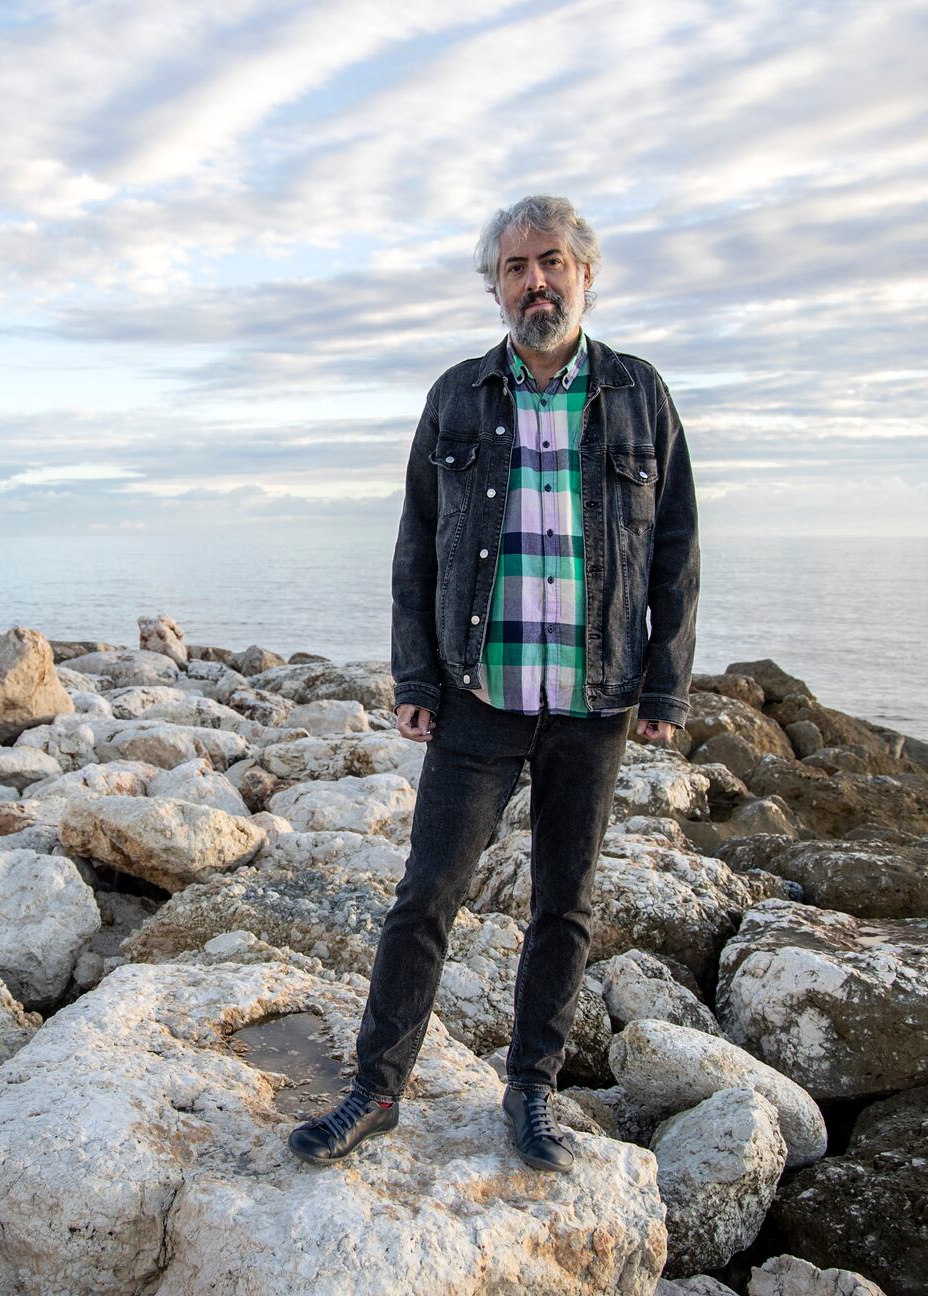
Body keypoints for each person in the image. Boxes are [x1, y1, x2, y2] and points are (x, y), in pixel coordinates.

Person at [287, 195, 699, 1172]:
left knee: (564, 902)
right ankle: (375, 1087)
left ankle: (531, 1092)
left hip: (595, 697)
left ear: (584, 273)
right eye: (515, 268)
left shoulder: (638, 392)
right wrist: (415, 673)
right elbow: (418, 542)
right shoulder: (459, 394)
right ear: (496, 286)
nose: (535, 282)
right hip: (479, 693)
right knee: (426, 891)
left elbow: (676, 546)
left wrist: (665, 687)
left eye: (551, 262)